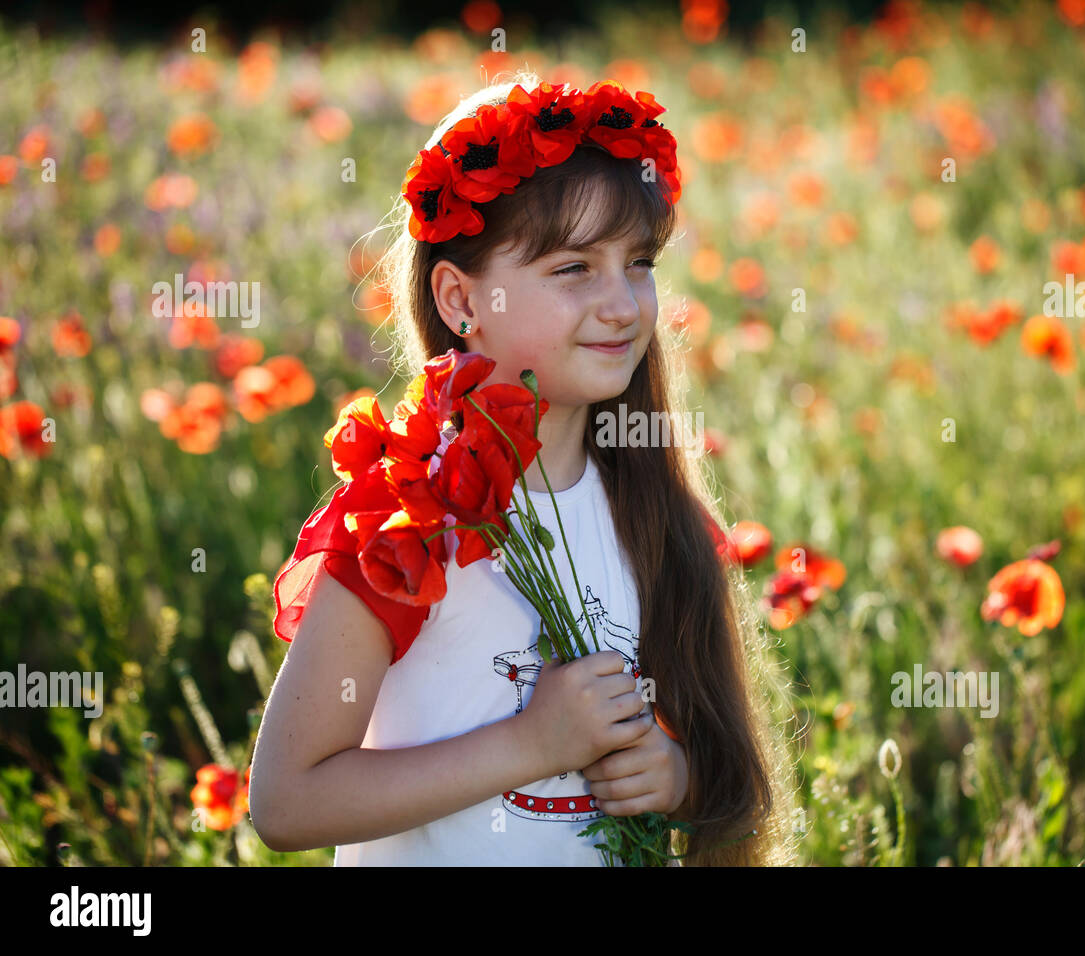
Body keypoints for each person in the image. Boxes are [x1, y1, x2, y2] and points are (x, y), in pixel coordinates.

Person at [249, 71, 799, 865]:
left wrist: (675, 777)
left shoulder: (657, 517)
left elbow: (727, 778)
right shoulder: (401, 524)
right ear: (460, 300)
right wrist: (530, 745)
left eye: (638, 262)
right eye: (574, 268)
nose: (622, 304)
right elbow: (288, 802)